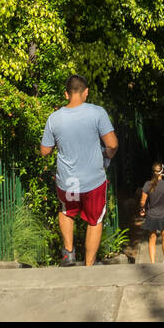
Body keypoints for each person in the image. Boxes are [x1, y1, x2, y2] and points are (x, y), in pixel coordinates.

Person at [40, 75, 118, 267]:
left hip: (68, 181)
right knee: (94, 220)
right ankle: (89, 266)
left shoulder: (54, 118)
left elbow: (44, 151)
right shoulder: (97, 113)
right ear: (86, 92)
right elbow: (112, 144)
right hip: (93, 181)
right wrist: (106, 156)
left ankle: (68, 253)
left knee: (67, 211)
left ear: (66, 94)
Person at [137, 162, 164, 264]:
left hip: (151, 215)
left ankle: (152, 262)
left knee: (152, 237)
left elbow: (142, 201)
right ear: (162, 172)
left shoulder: (147, 185)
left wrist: (142, 209)